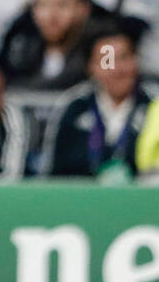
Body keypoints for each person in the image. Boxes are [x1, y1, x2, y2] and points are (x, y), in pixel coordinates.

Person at [43, 30, 151, 179]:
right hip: (81, 199)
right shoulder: (73, 107)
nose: (117, 69)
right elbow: (52, 172)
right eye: (107, 61)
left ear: (136, 60)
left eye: (124, 58)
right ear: (91, 67)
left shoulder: (154, 105)